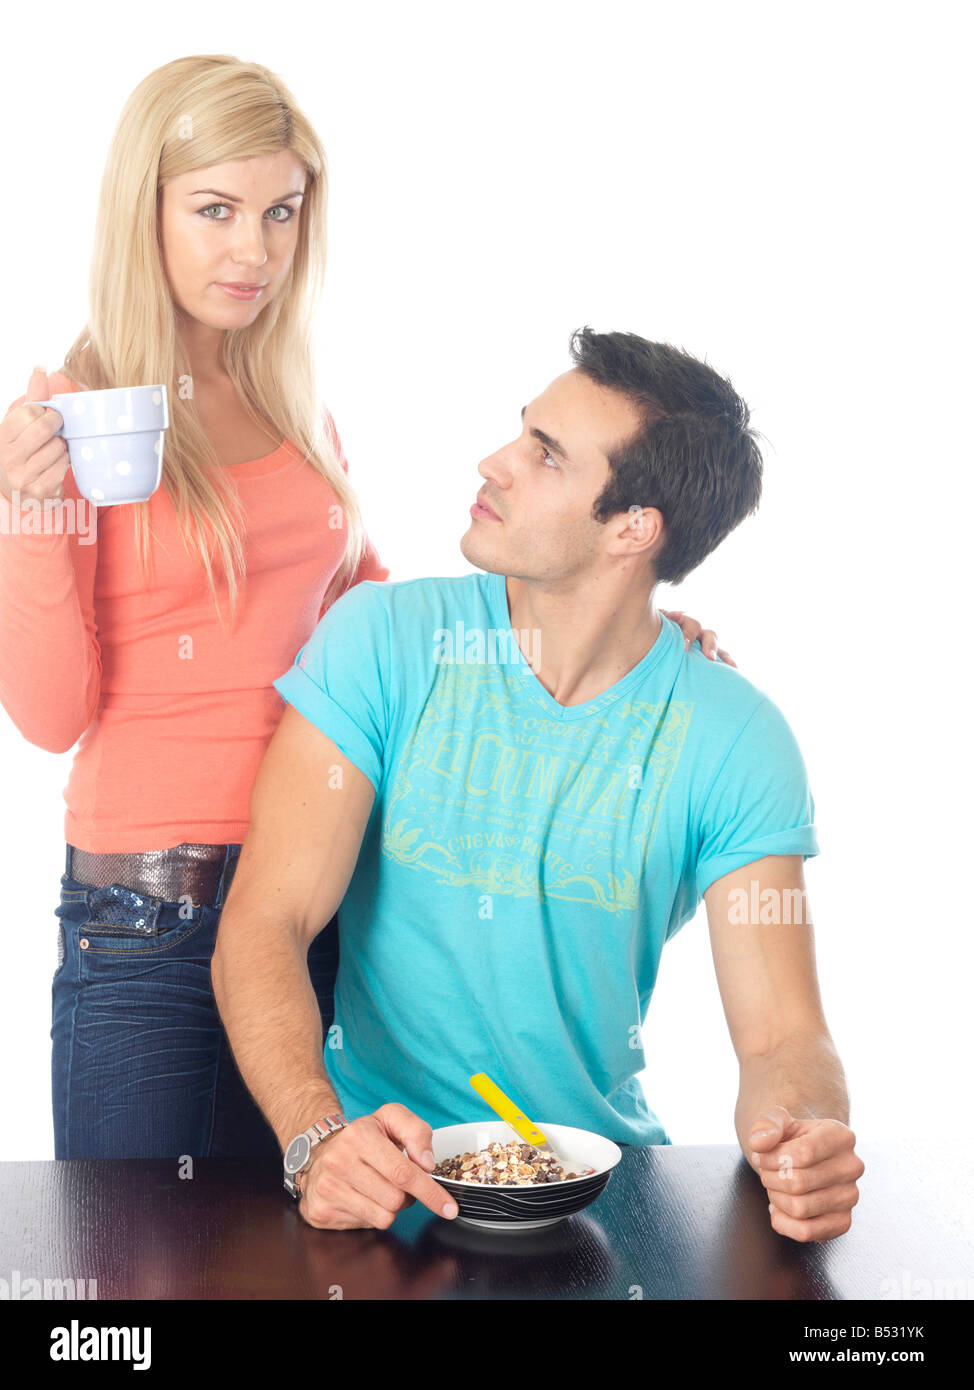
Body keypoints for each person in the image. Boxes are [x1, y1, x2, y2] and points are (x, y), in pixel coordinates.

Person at [0, 56, 719, 1160]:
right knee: (137, 1271)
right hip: (153, 914)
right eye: (215, 211)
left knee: (307, 1237)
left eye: (280, 213)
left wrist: (615, 623)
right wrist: (26, 520)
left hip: (323, 890)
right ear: (140, 208)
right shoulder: (71, 421)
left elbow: (377, 614)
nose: (254, 251)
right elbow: (51, 717)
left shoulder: (291, 402)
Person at [211, 328, 865, 1245]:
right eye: (523, 431)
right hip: (387, 1185)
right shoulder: (383, 642)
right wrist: (315, 1138)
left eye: (545, 455)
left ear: (633, 528)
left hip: (603, 1201)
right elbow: (263, 922)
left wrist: (804, 1137)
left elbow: (783, 1038)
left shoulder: (738, 739)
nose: (495, 461)